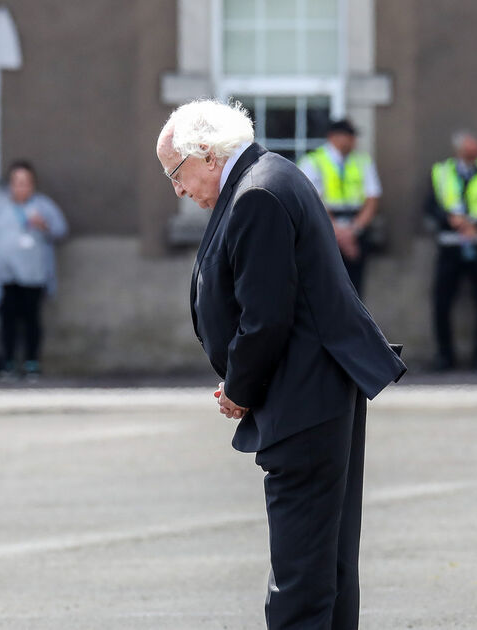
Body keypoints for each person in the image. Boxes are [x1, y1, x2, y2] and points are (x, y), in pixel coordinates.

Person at [156, 99, 405, 630]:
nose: (177, 189)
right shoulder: (270, 176)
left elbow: (265, 317)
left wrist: (238, 390)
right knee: (324, 563)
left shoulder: (258, 194)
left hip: (303, 397)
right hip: (316, 391)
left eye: (175, 173)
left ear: (204, 152)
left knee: (299, 576)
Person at [0, 161, 68, 381]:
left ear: (33, 184)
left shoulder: (43, 206)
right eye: (17, 183)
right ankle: (8, 363)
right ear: (10, 185)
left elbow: (61, 230)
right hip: (5, 274)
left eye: (26, 183)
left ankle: (31, 363)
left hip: (33, 274)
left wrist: (43, 225)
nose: (21, 187)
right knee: (7, 319)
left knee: (31, 319)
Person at [425, 130, 477, 372]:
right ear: (458, 150)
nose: (474, 153)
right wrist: (450, 219)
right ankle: (445, 355)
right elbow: (430, 206)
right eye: (469, 149)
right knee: (442, 302)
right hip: (450, 246)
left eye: (476, 148)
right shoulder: (441, 172)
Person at [297, 119, 383, 295]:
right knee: (324, 290)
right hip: (324, 232)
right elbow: (313, 202)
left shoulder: (362, 161)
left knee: (355, 292)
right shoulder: (313, 161)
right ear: (333, 137)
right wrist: (338, 234)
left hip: (355, 231)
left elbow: (372, 199)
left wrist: (353, 230)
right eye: (349, 136)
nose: (353, 141)